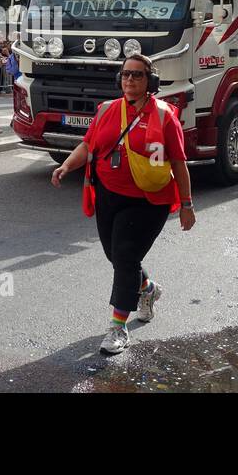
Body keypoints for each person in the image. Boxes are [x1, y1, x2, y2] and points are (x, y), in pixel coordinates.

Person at [50, 53, 196, 355]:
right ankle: (148, 290)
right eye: (126, 75)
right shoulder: (106, 111)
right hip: (109, 195)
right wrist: (66, 166)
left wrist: (187, 203)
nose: (130, 80)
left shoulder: (165, 115)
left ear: (150, 80)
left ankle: (118, 327)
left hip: (148, 200)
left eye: (137, 75)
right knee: (116, 256)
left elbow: (179, 163)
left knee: (127, 254)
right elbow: (88, 145)